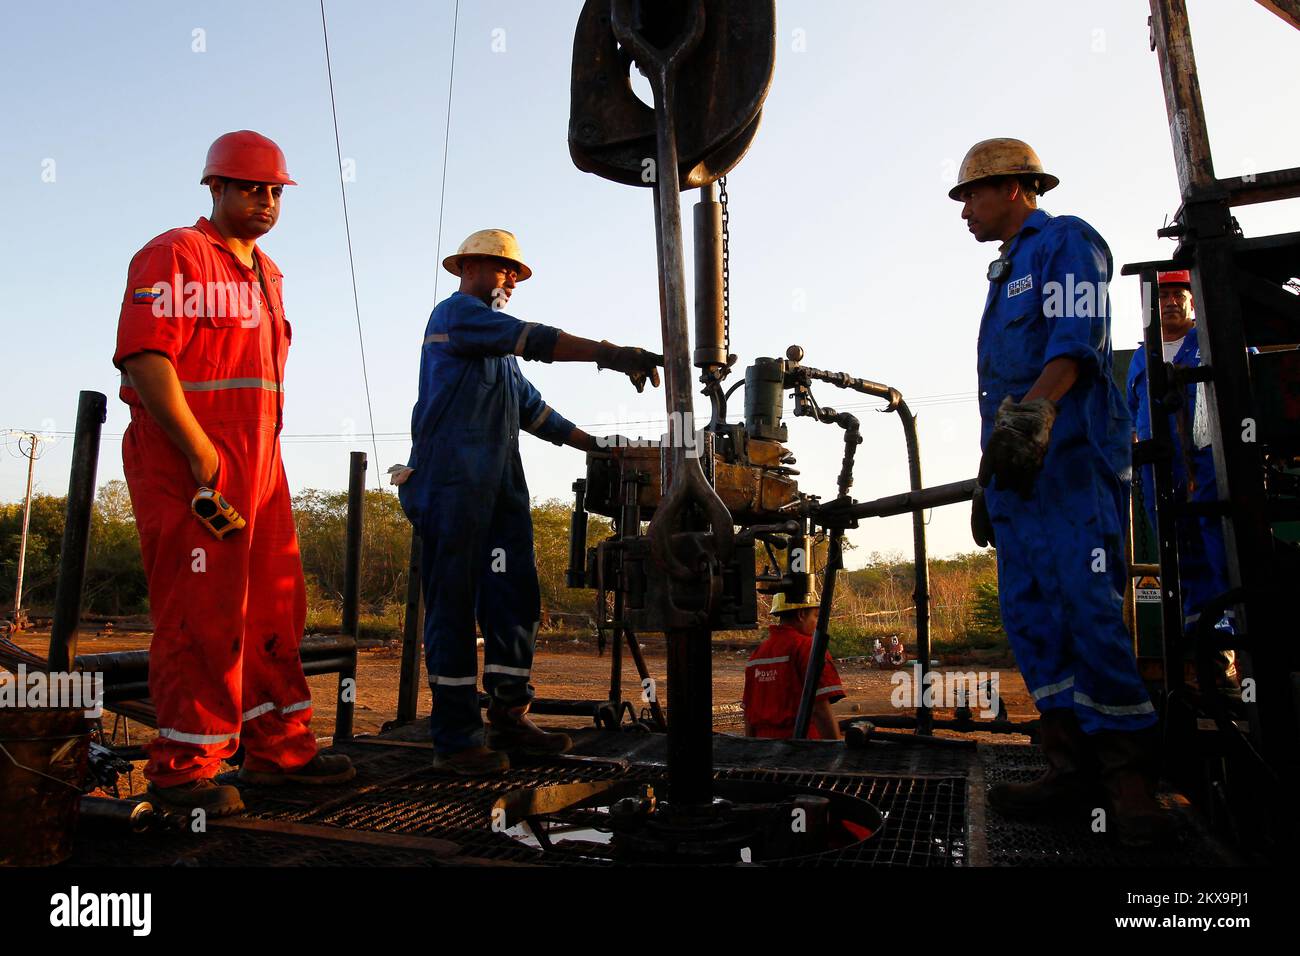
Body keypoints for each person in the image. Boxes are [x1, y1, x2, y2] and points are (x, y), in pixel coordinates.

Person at [113, 131, 354, 818]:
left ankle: (280, 751)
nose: (266, 200)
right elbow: (145, 358)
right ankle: (185, 771)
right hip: (188, 461)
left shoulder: (268, 273)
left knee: (277, 607)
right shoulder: (176, 254)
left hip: (260, 461)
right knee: (203, 614)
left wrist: (251, 461)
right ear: (214, 187)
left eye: (275, 190)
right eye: (251, 187)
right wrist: (200, 454)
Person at [953, 137, 1168, 845]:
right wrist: (993, 476)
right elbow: (999, 391)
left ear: (1013, 189)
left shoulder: (1066, 242)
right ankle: (1067, 764)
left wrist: (1038, 413)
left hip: (1070, 466)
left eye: (972, 196)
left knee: (1086, 604)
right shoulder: (1002, 274)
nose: (964, 212)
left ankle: (1127, 776)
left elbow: (1076, 341)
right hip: (1019, 474)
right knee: (1030, 614)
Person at [396, 228, 662, 775]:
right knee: (452, 604)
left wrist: (599, 446)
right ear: (468, 267)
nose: (511, 280)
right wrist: (610, 355)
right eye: (503, 269)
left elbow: (536, 413)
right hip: (450, 483)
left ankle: (509, 716)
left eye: (515, 273)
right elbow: (535, 339)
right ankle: (456, 738)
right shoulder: (457, 317)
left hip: (498, 489)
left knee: (514, 595)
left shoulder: (499, 357)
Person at [1126, 270, 1236, 685]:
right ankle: (1200, 644)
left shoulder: (1211, 341)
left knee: (1219, 543)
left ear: (1194, 302)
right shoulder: (1143, 356)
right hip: (1159, 468)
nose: (1170, 301)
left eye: (1179, 294)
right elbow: (1131, 412)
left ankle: (1229, 637)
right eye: (1164, 295)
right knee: (1177, 550)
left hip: (1210, 462)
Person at [742, 590, 844, 740]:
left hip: (763, 750)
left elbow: (748, 715)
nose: (817, 623)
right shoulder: (809, 647)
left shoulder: (757, 654)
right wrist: (836, 754)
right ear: (801, 614)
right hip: (804, 749)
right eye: (815, 616)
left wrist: (752, 752)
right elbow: (820, 710)